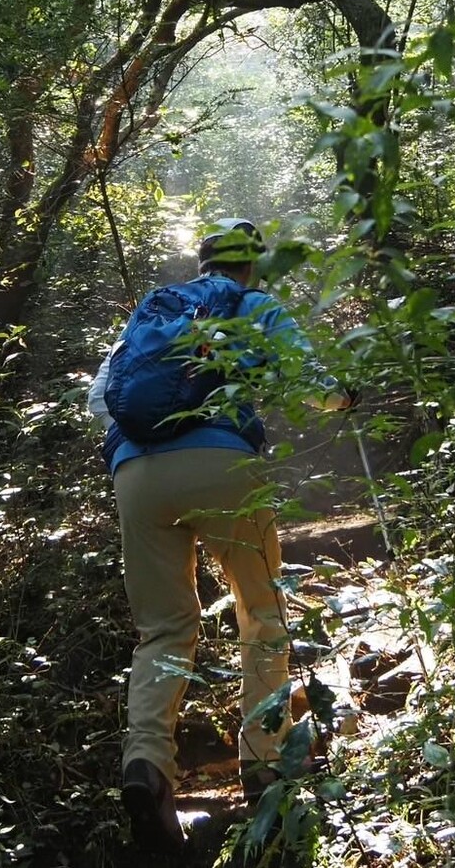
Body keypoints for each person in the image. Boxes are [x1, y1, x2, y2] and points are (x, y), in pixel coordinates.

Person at [87, 217, 355, 852]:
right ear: (249, 267)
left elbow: (102, 399)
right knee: (260, 610)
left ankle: (147, 767)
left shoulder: (155, 313)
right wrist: (344, 400)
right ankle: (264, 763)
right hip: (221, 465)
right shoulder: (254, 305)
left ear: (202, 264)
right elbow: (308, 380)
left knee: (162, 629)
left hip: (135, 472)